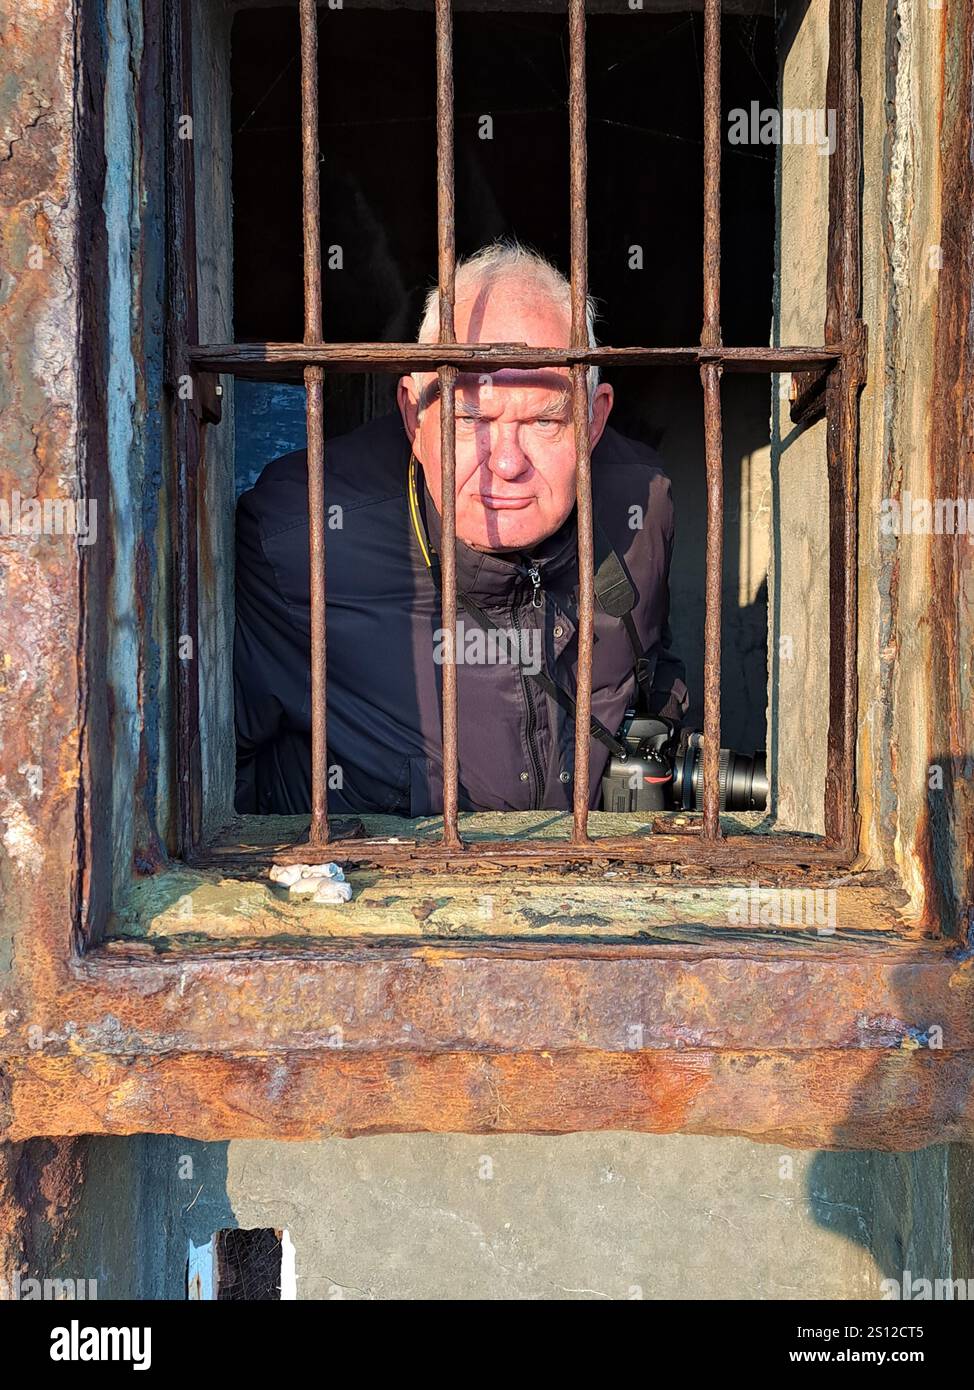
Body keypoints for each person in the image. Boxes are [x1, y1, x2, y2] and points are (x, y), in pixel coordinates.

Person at [234, 242, 688, 816]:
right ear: (412, 413)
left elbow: (653, 666)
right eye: (470, 418)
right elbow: (215, 772)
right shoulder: (302, 541)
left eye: (544, 421)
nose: (505, 462)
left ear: (594, 420)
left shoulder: (642, 509)